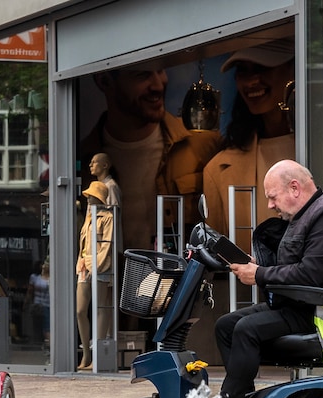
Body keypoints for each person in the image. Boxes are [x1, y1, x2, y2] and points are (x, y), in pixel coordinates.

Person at [198, 160, 323, 398]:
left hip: (319, 312)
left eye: (272, 197)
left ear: (294, 188)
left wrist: (260, 274)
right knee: (225, 326)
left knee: (246, 329)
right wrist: (258, 265)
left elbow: (311, 274)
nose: (271, 205)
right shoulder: (306, 214)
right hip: (299, 304)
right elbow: (298, 265)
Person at [79, 64, 220, 255]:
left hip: (177, 272)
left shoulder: (203, 146)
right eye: (142, 74)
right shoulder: (79, 160)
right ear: (104, 81)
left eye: (161, 70)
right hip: (108, 271)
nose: (158, 85)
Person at [202, 39, 296, 244]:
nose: (251, 81)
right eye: (242, 70)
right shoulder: (217, 170)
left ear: (293, 69)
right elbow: (217, 256)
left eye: (262, 67)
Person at [76, 181, 114, 371]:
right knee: (80, 310)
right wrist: (80, 261)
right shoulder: (88, 216)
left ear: (98, 198)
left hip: (100, 267)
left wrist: (96, 265)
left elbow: (107, 245)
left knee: (100, 308)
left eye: (91, 196)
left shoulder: (108, 217)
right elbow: (83, 243)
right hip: (85, 265)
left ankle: (97, 356)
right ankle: (86, 354)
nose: (88, 198)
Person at [25, 259, 51, 350]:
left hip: (48, 305)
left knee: (47, 326)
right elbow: (30, 291)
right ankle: (39, 343)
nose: (44, 266)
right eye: (43, 264)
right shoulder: (35, 277)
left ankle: (48, 344)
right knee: (37, 325)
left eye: (46, 264)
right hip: (37, 305)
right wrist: (26, 302)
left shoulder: (52, 278)